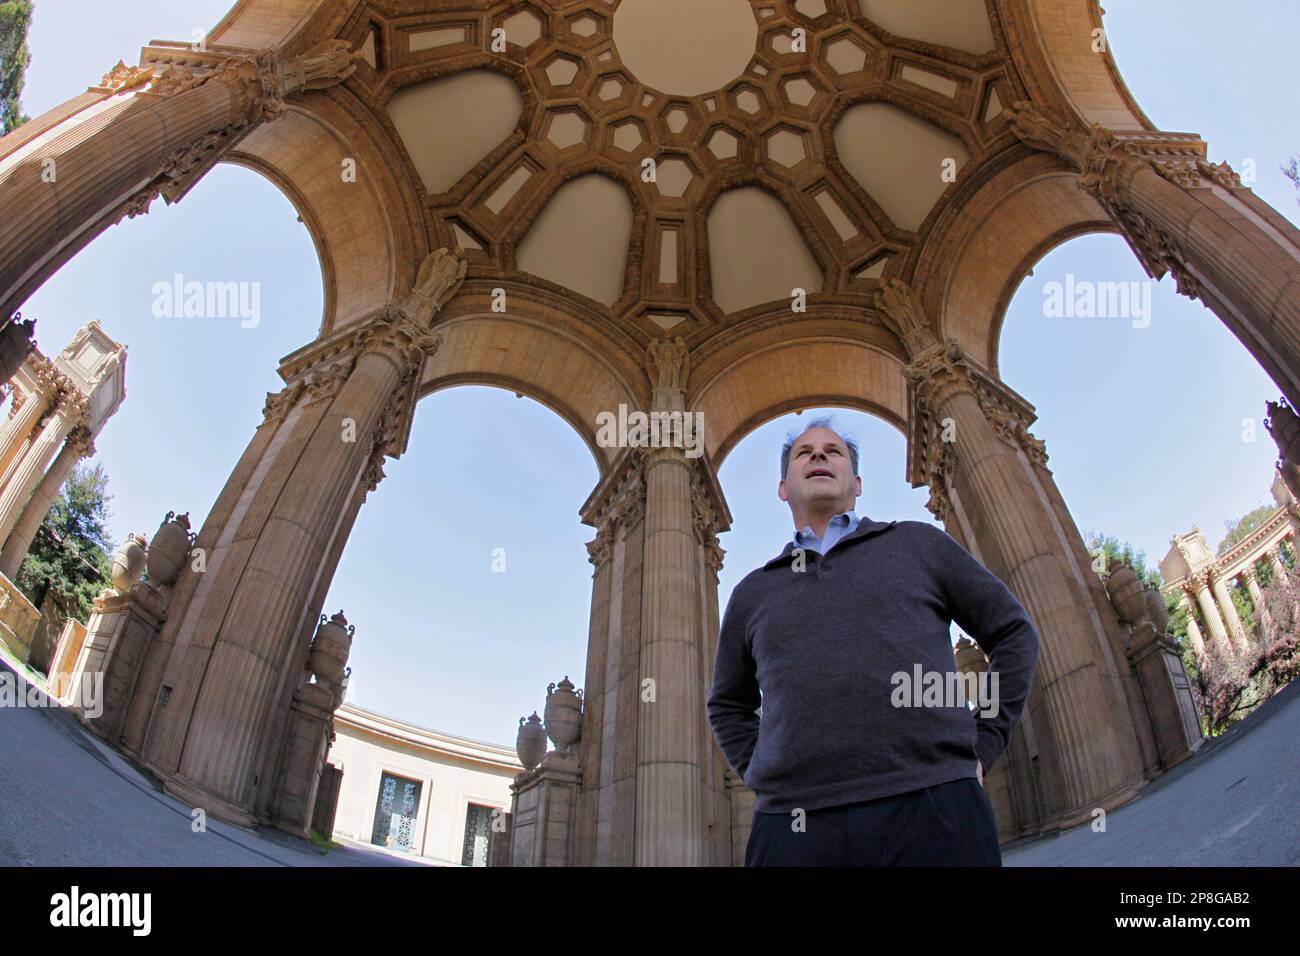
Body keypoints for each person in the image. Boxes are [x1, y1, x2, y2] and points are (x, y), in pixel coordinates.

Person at [707, 416, 1040, 866]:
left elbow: (1012, 632)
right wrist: (762, 772)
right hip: (792, 826)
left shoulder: (917, 544)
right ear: (783, 488)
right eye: (804, 452)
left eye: (833, 450)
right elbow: (727, 704)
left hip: (936, 804)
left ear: (857, 482)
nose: (819, 455)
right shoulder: (752, 593)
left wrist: (985, 742)